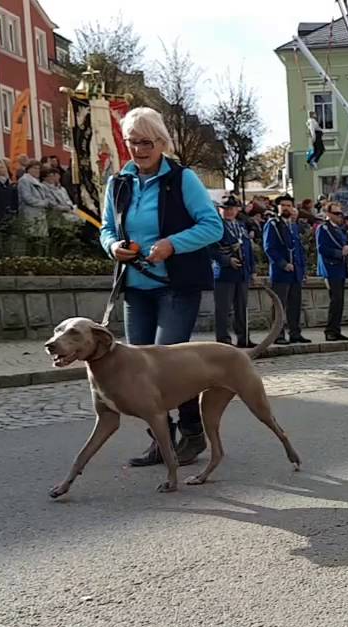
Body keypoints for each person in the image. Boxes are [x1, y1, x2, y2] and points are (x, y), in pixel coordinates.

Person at [100, 107, 223, 468]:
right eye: (132, 142)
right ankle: (162, 440)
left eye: (146, 142)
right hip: (135, 286)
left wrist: (172, 244)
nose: (138, 149)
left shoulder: (182, 179)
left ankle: (193, 433)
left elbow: (212, 226)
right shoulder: (118, 183)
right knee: (135, 369)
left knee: (168, 364)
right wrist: (112, 246)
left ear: (162, 142)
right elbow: (107, 227)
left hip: (176, 284)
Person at [263, 195, 310, 345]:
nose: (286, 208)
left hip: (295, 272)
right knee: (279, 305)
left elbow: (298, 249)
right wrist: (283, 264)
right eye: (283, 205)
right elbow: (269, 248)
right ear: (278, 208)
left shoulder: (292, 225)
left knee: (295, 304)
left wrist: (303, 270)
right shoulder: (273, 224)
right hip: (281, 272)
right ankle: (278, 335)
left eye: (288, 205)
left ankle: (295, 333)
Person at [211, 197, 255, 348]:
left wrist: (252, 270)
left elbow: (248, 249)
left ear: (237, 210)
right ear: (220, 210)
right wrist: (227, 260)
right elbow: (211, 250)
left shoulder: (241, 226)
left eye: (232, 209)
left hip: (242, 273)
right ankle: (223, 340)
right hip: (224, 273)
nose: (229, 212)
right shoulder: (216, 226)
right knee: (223, 309)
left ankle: (244, 337)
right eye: (225, 209)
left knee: (242, 307)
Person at [315, 201, 348, 342]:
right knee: (335, 299)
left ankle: (336, 329)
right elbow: (322, 249)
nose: (340, 216)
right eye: (336, 213)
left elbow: (344, 243)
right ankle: (330, 330)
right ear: (328, 214)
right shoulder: (323, 229)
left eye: (340, 213)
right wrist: (340, 252)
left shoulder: (339, 229)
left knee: (339, 301)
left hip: (339, 268)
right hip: (330, 267)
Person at [17, 161, 51, 255]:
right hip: (30, 213)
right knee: (32, 240)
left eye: (38, 168)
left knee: (40, 240)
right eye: (34, 168)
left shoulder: (38, 182)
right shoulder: (24, 180)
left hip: (40, 213)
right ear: (28, 169)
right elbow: (27, 198)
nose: (37, 170)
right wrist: (43, 203)